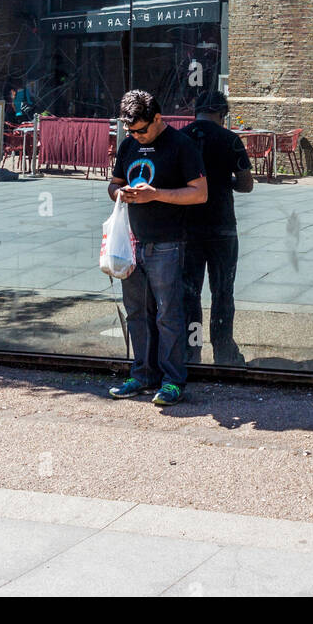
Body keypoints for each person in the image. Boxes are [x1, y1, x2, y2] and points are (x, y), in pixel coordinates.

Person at [107, 90, 207, 406]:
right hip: (132, 241)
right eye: (131, 130)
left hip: (168, 243)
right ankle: (142, 374)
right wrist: (119, 193)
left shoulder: (181, 146)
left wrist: (156, 195)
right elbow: (113, 183)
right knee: (137, 312)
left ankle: (173, 380)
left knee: (168, 313)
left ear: (158, 118)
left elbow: (200, 194)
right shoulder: (128, 146)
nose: (136, 136)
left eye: (141, 130)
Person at [183, 91, 253, 366]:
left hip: (188, 227)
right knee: (223, 290)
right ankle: (224, 351)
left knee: (189, 292)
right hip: (222, 225)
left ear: (196, 110)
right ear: (222, 114)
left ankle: (191, 351)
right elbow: (246, 184)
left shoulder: (181, 138)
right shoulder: (230, 139)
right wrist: (224, 184)